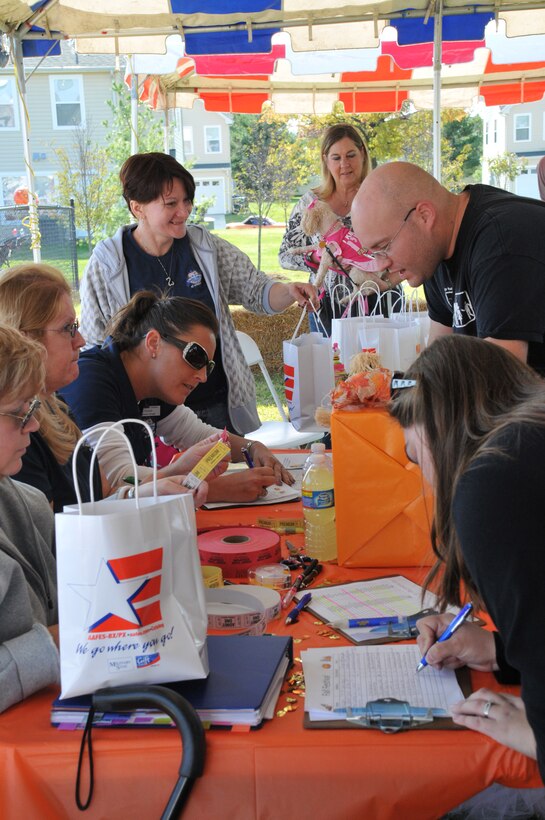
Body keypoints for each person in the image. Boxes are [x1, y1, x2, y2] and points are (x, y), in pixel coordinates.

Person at [388, 334, 545, 782]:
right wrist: (499, 650)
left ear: (441, 427)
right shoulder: (527, 442)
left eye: (415, 456)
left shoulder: (490, 483)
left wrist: (535, 734)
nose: (426, 476)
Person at [80, 151, 318, 435]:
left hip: (216, 404)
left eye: (186, 200)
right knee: (166, 480)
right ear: (137, 207)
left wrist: (289, 291)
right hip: (148, 418)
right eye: (171, 204)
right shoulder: (109, 263)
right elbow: (94, 346)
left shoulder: (204, 247)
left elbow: (256, 290)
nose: (184, 211)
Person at [0, 264, 209, 511]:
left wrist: (162, 484)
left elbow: (104, 496)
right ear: (27, 338)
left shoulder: (58, 410)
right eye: (69, 329)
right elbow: (50, 540)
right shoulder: (18, 434)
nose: (81, 340)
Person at [62, 291, 294, 503]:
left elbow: (196, 434)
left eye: (209, 366)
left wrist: (252, 448)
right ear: (153, 343)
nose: (203, 376)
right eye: (195, 357)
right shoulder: (91, 381)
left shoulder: (153, 383)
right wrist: (216, 489)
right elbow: (118, 480)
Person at [352, 160, 545, 374]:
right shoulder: (434, 252)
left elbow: (496, 383)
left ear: (424, 216)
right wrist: (393, 389)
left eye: (384, 247)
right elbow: (435, 370)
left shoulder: (499, 243)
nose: (381, 265)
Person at [278, 123, 401, 336]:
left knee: (380, 367)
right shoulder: (311, 203)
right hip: (326, 308)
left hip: (379, 303)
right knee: (332, 368)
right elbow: (284, 256)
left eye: (351, 155)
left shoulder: (381, 197)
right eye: (336, 158)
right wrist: (318, 259)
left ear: (363, 154)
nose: (345, 164)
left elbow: (402, 250)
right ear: (326, 159)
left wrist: (384, 283)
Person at [0, 324, 59, 712]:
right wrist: (55, 642)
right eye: (21, 413)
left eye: (34, 409)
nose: (34, 425)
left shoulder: (27, 502)